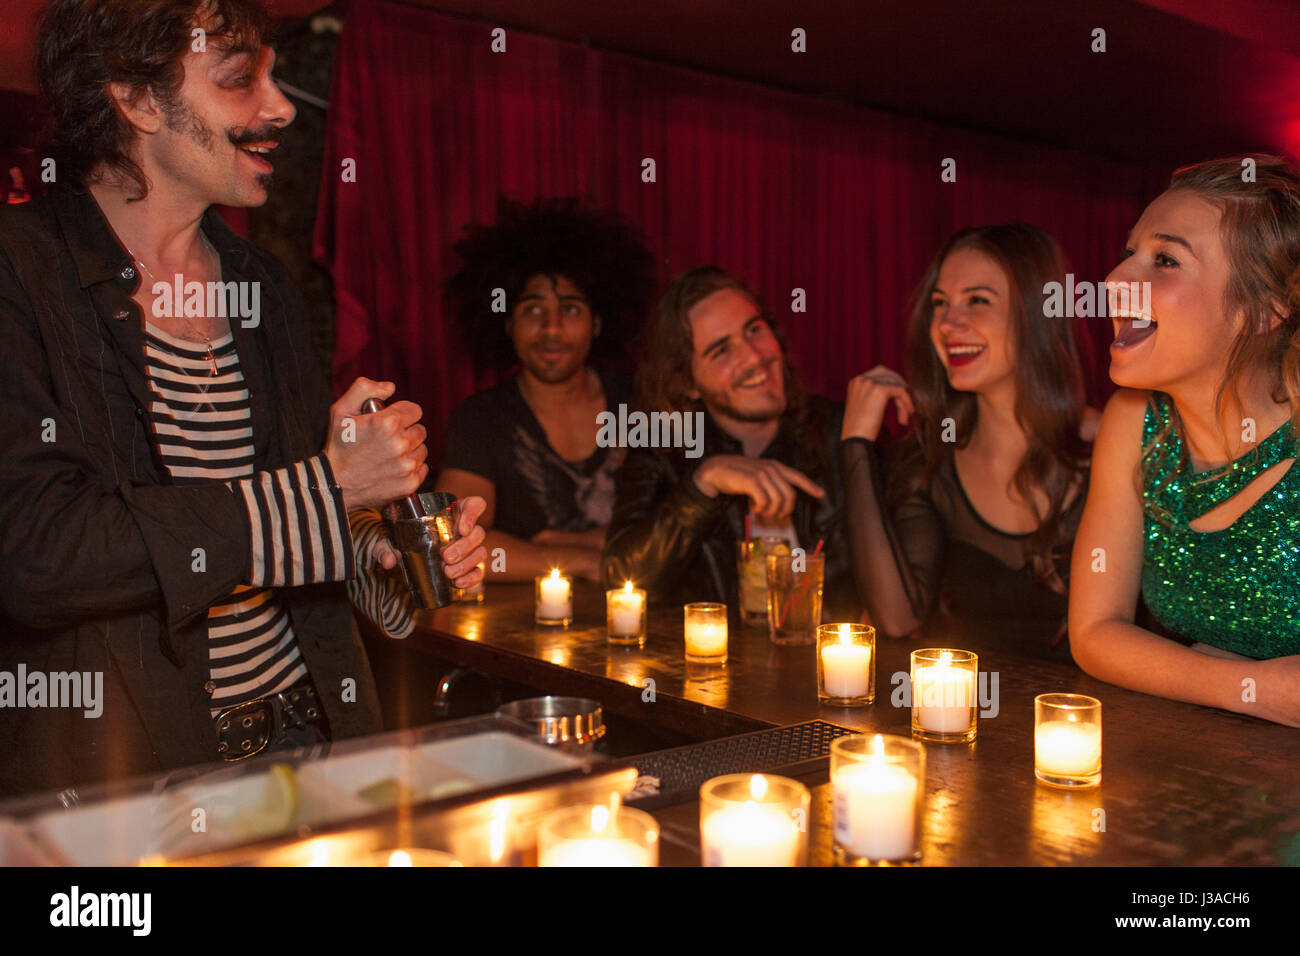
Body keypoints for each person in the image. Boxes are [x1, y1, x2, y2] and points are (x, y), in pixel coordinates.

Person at [0, 0, 487, 798]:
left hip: (312, 746)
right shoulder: (20, 271)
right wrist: (330, 489)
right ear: (137, 97)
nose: (281, 106)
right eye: (239, 81)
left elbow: (282, 530)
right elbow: (39, 554)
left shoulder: (264, 289)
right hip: (137, 783)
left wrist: (377, 547)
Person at [1069, 154, 1300, 727]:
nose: (1115, 280)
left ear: (1263, 310)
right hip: (1211, 777)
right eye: (1130, 254)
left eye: (1165, 260)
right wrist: (1253, 687)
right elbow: (1095, 633)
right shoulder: (1133, 419)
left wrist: (1184, 668)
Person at [840, 224, 1098, 660]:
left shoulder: (1112, 444)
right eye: (940, 303)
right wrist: (855, 442)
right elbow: (898, 618)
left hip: (1095, 723)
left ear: (1038, 313)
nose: (946, 323)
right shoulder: (932, 462)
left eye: (978, 301)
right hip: (966, 722)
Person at [603, 265, 859, 620]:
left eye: (754, 330)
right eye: (722, 350)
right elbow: (622, 580)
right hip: (717, 670)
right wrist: (702, 484)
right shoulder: (662, 451)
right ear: (687, 383)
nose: (755, 357)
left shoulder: (842, 432)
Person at [435, 197, 658, 582]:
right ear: (507, 325)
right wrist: (587, 558)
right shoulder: (483, 419)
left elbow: (683, 517)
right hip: (516, 633)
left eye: (570, 309)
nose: (551, 328)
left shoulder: (642, 400)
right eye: (532, 310)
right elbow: (454, 542)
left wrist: (541, 548)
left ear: (599, 323)